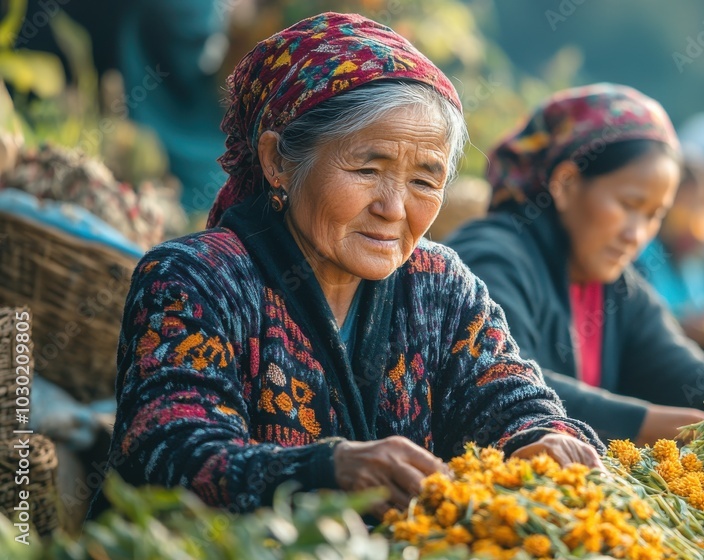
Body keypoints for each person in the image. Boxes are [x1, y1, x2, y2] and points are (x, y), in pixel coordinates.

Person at [93, 13, 602, 517]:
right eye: (367, 169)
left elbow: (506, 394)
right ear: (277, 161)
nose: (394, 209)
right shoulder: (194, 279)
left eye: (424, 181)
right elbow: (171, 450)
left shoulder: (440, 285)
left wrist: (539, 438)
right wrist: (326, 471)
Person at [447, 84, 704, 444]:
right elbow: (506, 381)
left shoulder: (618, 288)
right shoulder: (491, 256)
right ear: (566, 183)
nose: (637, 234)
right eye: (628, 205)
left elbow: (700, 388)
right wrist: (648, 423)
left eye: (654, 215)